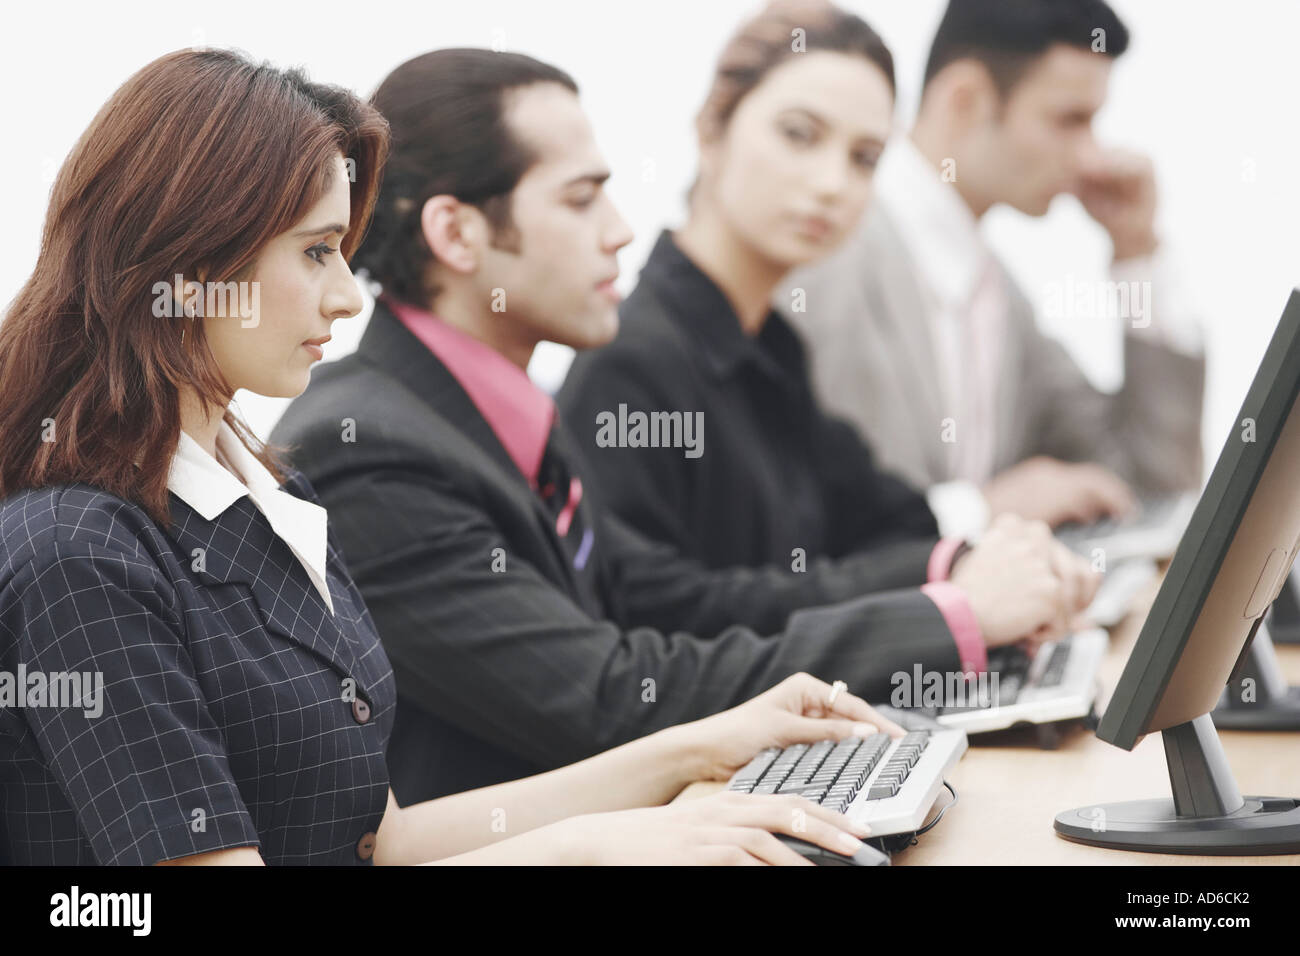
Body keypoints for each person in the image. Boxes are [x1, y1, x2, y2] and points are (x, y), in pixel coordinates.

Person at [0, 48, 906, 867]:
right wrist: (593, 849)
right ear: (192, 260)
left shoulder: (266, 493)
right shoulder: (79, 553)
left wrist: (703, 748)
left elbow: (384, 839)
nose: (348, 297)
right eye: (317, 252)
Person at [272, 35, 1093, 806]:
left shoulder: (495, 415)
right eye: (582, 198)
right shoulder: (373, 449)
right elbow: (605, 692)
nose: (622, 231)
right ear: (456, 232)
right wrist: (953, 618)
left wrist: (954, 578)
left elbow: (667, 600)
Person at [556, 2, 1096, 605]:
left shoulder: (773, 352)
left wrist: (990, 559)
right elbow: (655, 614)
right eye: (799, 134)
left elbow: (882, 520)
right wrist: (948, 601)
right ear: (712, 129)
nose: (832, 184)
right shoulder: (631, 362)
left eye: (864, 158)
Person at [775, 0, 1205, 536]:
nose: (1091, 156)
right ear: (966, 100)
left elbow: (1150, 481)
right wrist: (980, 509)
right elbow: (788, 519)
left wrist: (1138, 252)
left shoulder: (1001, 297)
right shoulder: (819, 249)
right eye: (1071, 120)